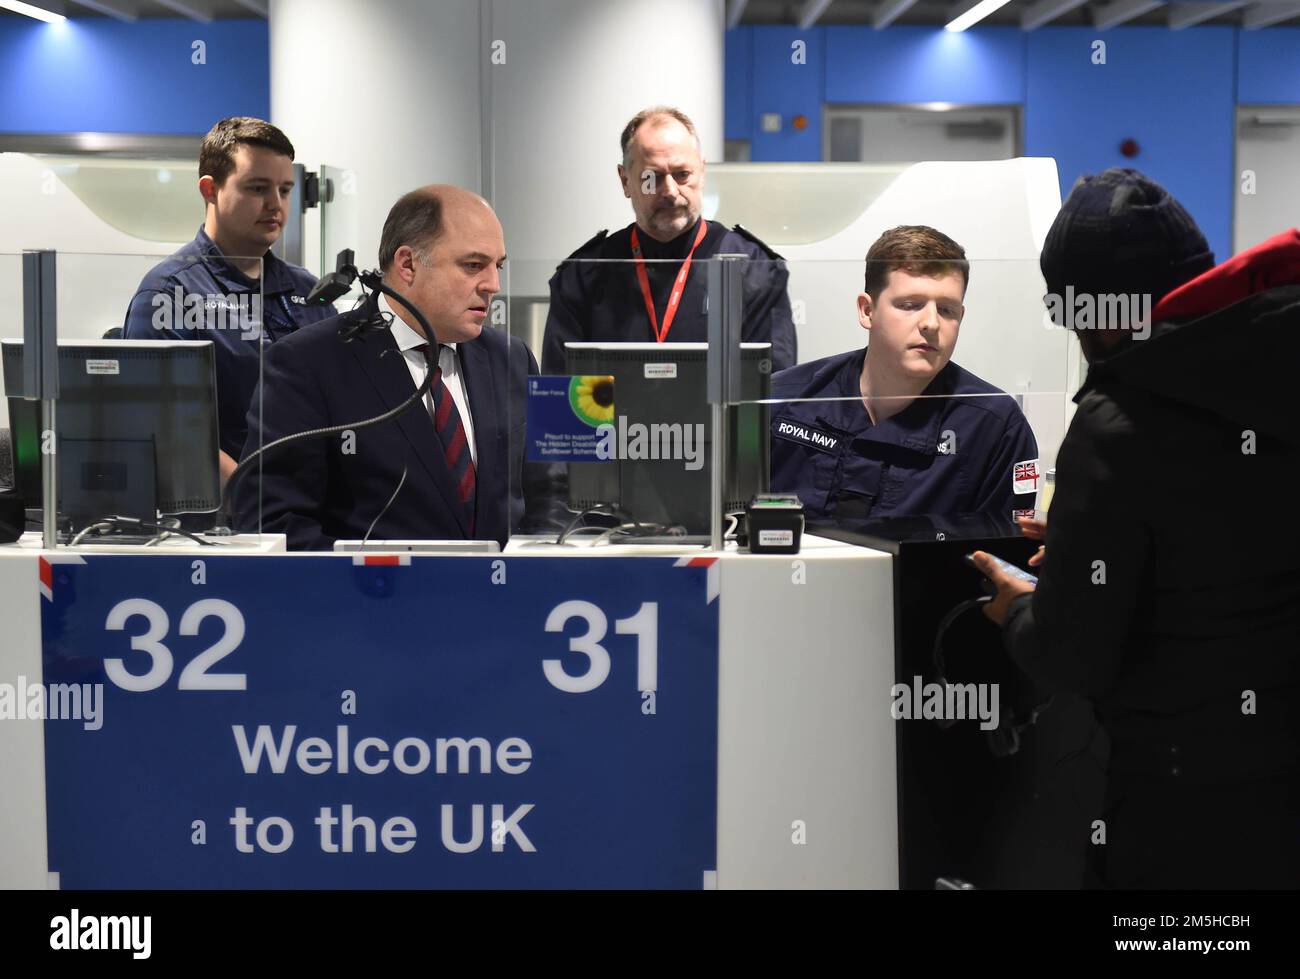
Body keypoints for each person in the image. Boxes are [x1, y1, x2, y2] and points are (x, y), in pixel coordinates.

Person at [973, 168, 1300, 889]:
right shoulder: (1274, 359)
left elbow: (1073, 654)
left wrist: (1021, 603)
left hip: (1184, 800)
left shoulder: (1118, 423)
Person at [232, 185, 547, 551]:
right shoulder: (307, 364)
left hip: (504, 599)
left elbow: (549, 495)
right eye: (473, 265)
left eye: (498, 266)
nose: (493, 285)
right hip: (371, 601)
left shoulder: (510, 359)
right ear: (408, 264)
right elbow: (275, 523)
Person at [769, 225, 1038, 523]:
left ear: (961, 317)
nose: (932, 324)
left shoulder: (994, 428)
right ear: (867, 311)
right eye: (911, 305)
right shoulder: (782, 400)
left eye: (947, 310)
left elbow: (1002, 558)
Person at [123, 117, 332, 482]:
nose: (275, 205)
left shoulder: (309, 292)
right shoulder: (169, 294)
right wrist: (251, 499)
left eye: (284, 190)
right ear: (209, 189)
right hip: (225, 523)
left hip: (313, 514)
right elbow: (167, 425)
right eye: (257, 188)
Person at [541, 105, 797, 374]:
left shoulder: (754, 268)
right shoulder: (584, 274)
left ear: (702, 171)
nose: (671, 191)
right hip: (614, 418)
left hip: (721, 417)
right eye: (652, 178)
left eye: (682, 175)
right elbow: (562, 396)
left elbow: (775, 390)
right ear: (625, 180)